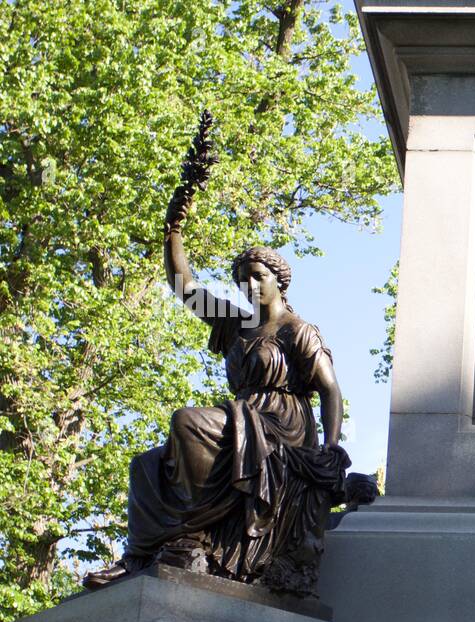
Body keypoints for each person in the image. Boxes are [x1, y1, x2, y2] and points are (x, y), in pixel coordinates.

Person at [84, 117, 348, 593]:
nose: (249, 284)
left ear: (277, 279)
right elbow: (183, 287)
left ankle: (192, 534)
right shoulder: (235, 323)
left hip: (280, 424)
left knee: (187, 421)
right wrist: (175, 228)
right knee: (145, 465)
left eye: (258, 275)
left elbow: (329, 389)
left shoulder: (296, 330)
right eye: (242, 277)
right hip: (242, 418)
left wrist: (330, 448)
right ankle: (144, 552)